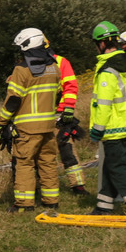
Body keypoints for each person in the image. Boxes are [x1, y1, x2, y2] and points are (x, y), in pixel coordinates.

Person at [0, 28, 63, 212]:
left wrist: (1, 122)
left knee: (25, 164)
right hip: (48, 127)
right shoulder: (54, 68)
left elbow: (13, 101)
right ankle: (51, 201)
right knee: (48, 162)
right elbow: (58, 94)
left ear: (27, 46)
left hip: (27, 129)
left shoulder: (21, 70)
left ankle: (25, 204)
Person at [88, 21, 126, 215]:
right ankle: (104, 206)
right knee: (110, 166)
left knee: (117, 167)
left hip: (114, 127)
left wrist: (98, 128)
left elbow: (104, 103)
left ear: (102, 44)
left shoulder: (107, 69)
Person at [45, 35, 87, 195]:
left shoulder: (61, 62)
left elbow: (70, 86)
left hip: (59, 115)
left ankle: (78, 186)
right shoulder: (27, 65)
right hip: (37, 117)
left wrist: (67, 109)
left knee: (67, 150)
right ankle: (40, 187)